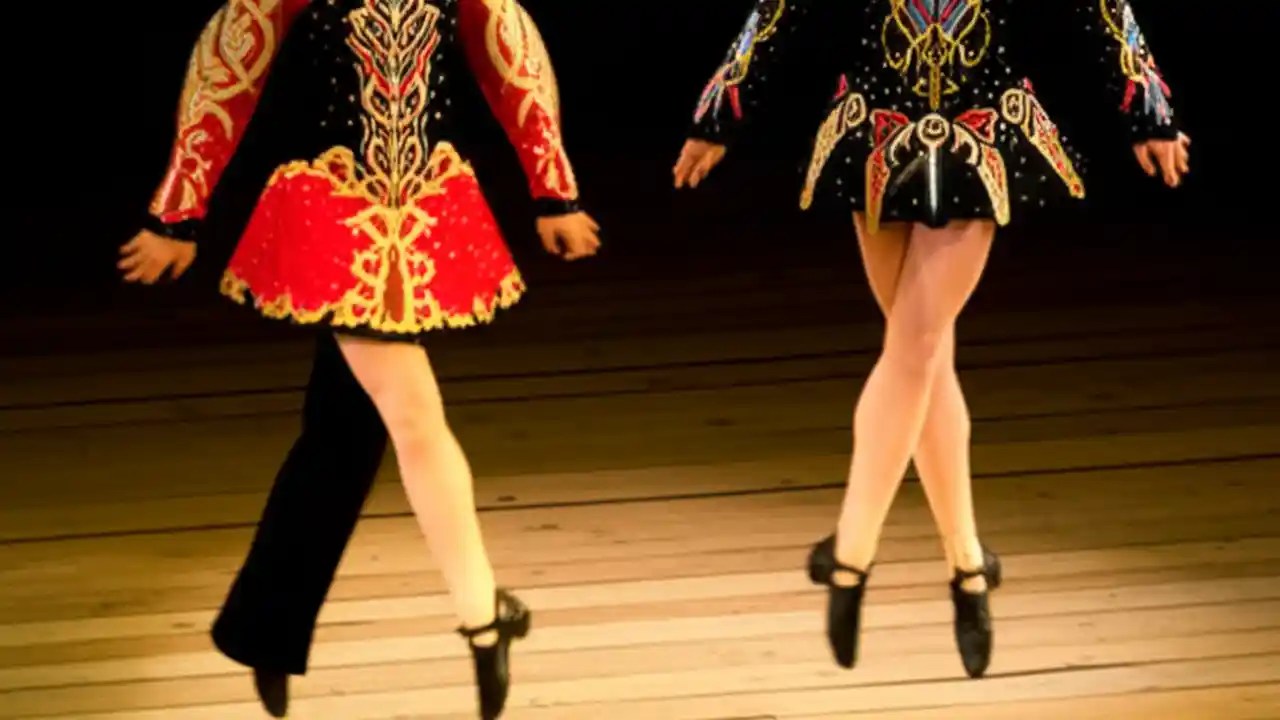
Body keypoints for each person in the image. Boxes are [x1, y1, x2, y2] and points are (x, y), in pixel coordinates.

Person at [674, 0, 1188, 679]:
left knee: (913, 348)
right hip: (877, 129)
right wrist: (718, 115)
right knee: (922, 361)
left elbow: (1100, 6)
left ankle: (851, 554)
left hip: (976, 129)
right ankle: (969, 565)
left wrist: (1149, 112)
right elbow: (780, 7)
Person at [118, 1, 601, 717]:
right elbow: (228, 72)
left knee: (345, 433)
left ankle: (266, 628)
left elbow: (513, 64)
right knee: (405, 418)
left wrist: (554, 192)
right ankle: (482, 615)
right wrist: (176, 214)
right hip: (333, 214)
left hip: (420, 206)